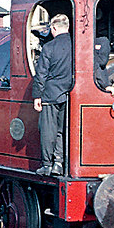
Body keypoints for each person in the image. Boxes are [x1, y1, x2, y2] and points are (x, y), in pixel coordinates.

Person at [32, 13, 73, 175]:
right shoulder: (75, 45)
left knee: (48, 130)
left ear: (54, 28)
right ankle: (59, 163)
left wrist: (37, 96)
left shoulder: (49, 47)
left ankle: (47, 164)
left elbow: (41, 74)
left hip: (50, 94)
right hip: (69, 93)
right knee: (62, 130)